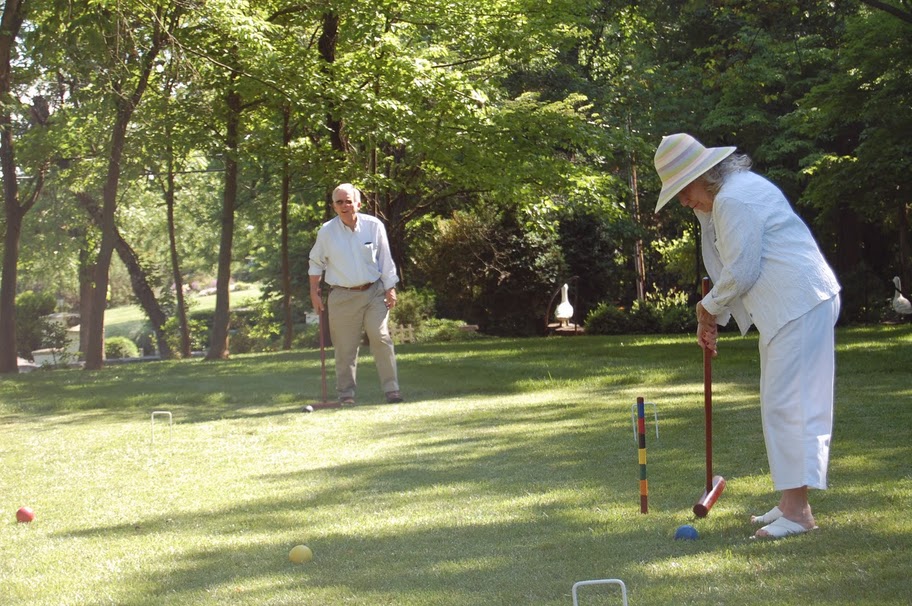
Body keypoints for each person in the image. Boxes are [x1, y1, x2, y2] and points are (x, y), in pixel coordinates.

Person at [653, 133, 841, 539]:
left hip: (798, 303)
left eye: (683, 190)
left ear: (706, 174)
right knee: (781, 405)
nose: (684, 202)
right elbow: (728, 265)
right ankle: (791, 503)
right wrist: (710, 319)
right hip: (792, 304)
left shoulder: (733, 200)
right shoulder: (729, 196)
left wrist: (707, 309)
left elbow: (743, 270)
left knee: (791, 406)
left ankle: (800, 513)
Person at [308, 183, 403, 405]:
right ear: (333, 206)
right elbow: (315, 263)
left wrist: (391, 288)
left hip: (373, 292)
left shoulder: (374, 226)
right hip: (342, 295)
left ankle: (392, 390)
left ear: (358, 204)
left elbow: (385, 260)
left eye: (348, 201)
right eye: (339, 202)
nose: (344, 205)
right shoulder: (326, 232)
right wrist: (314, 292)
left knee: (380, 336)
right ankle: (346, 395)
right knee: (345, 347)